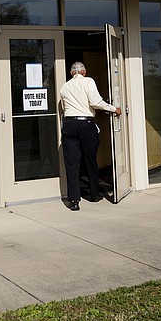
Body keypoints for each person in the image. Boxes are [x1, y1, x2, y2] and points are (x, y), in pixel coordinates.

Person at [59, 61, 121, 211]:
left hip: (69, 124)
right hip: (86, 124)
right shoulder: (88, 81)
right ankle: (94, 194)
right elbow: (95, 102)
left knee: (72, 163)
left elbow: (64, 108)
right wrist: (114, 109)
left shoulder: (64, 86)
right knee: (90, 159)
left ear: (71, 73)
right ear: (84, 72)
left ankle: (74, 201)